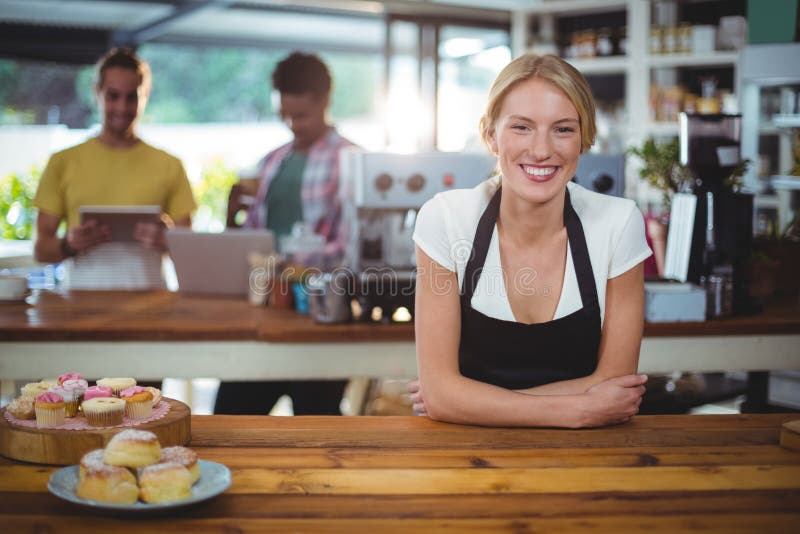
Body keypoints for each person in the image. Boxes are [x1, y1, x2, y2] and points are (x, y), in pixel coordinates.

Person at [408, 54, 652, 428]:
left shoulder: (618, 223)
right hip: (465, 460)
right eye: (521, 127)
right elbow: (441, 395)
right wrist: (580, 408)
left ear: (584, 139)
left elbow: (615, 383)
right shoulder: (446, 219)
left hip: (588, 460)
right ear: (491, 135)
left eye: (564, 129)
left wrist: (465, 399)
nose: (541, 150)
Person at [214, 52, 355, 416]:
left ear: (324, 101)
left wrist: (295, 263)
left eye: (302, 116)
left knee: (317, 426)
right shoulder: (272, 161)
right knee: (230, 415)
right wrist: (232, 222)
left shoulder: (352, 161)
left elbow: (353, 249)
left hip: (319, 319)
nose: (293, 125)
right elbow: (254, 237)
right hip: (267, 314)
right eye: (285, 115)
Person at [33, 48, 195, 289]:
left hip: (151, 304)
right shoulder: (62, 161)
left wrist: (167, 239)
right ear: (96, 93)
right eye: (113, 96)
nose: (122, 107)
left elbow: (191, 252)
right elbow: (41, 249)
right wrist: (68, 244)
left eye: (132, 97)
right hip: (80, 301)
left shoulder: (170, 165)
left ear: (146, 96)